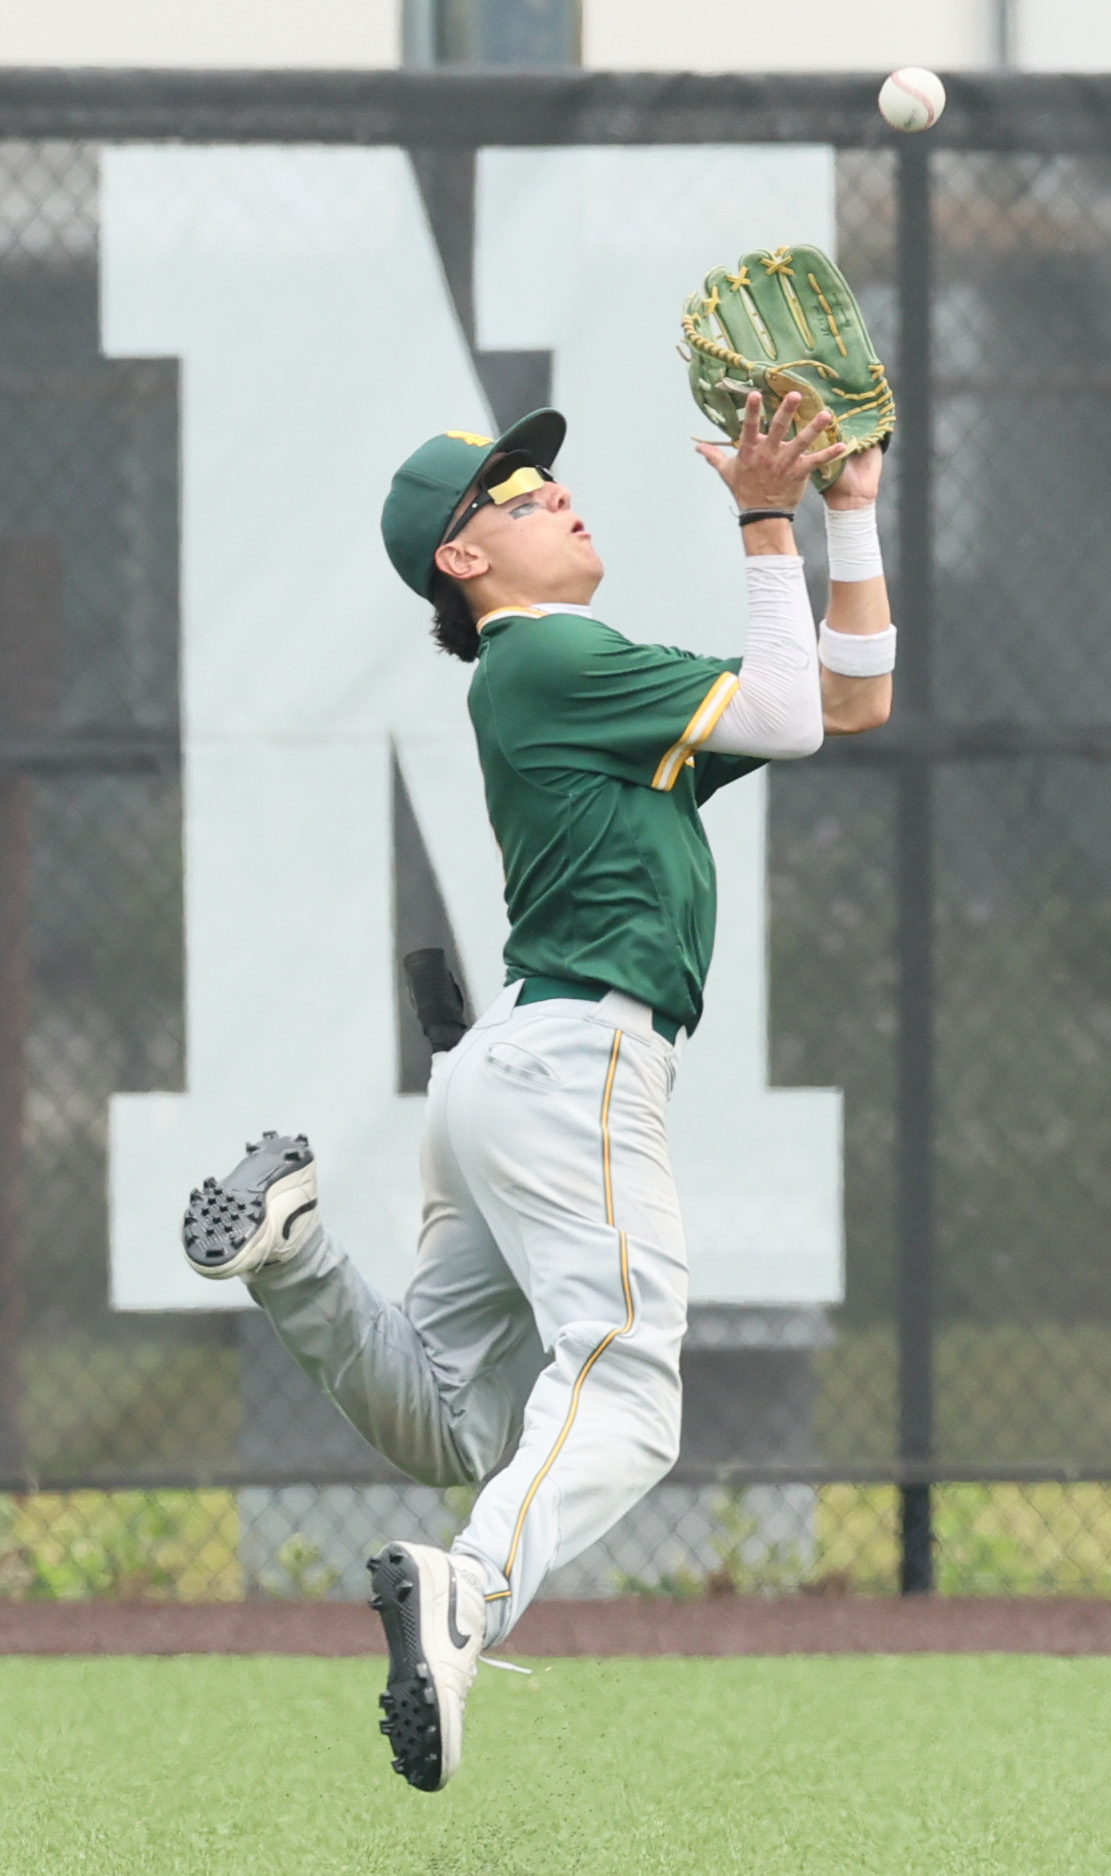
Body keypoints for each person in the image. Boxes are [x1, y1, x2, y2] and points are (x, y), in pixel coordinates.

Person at [180, 392, 895, 1791]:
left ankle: (296, 1249)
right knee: (626, 1398)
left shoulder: (574, 675)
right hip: (574, 1066)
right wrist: (765, 515)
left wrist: (846, 511)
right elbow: (794, 720)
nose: (553, 496)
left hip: (504, 1067)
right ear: (464, 561)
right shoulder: (550, 655)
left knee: (456, 1420)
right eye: (515, 495)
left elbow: (843, 698)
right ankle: (470, 1593)